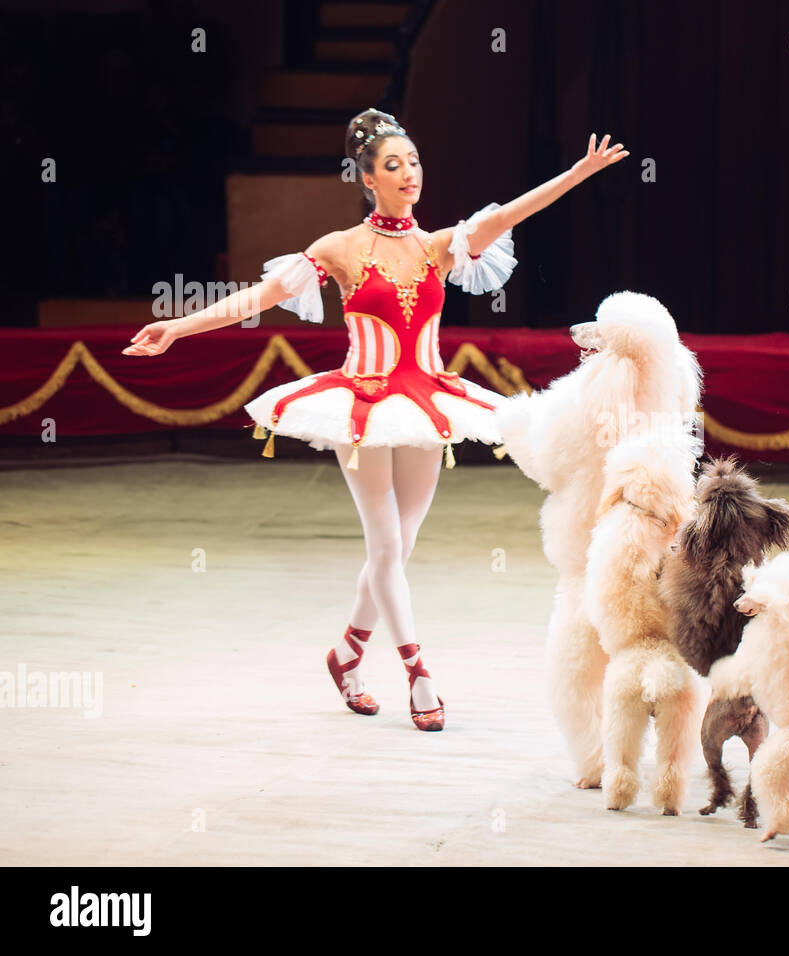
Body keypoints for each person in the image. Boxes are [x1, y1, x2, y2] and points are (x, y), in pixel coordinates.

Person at [123, 108, 628, 731]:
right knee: (386, 544)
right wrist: (177, 327)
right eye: (394, 166)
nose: (409, 174)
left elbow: (507, 216)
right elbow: (257, 300)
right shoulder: (339, 248)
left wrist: (577, 173)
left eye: (414, 162)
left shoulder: (439, 246)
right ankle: (418, 672)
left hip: (426, 400)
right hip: (361, 403)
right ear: (367, 178)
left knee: (399, 546)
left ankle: (345, 654)